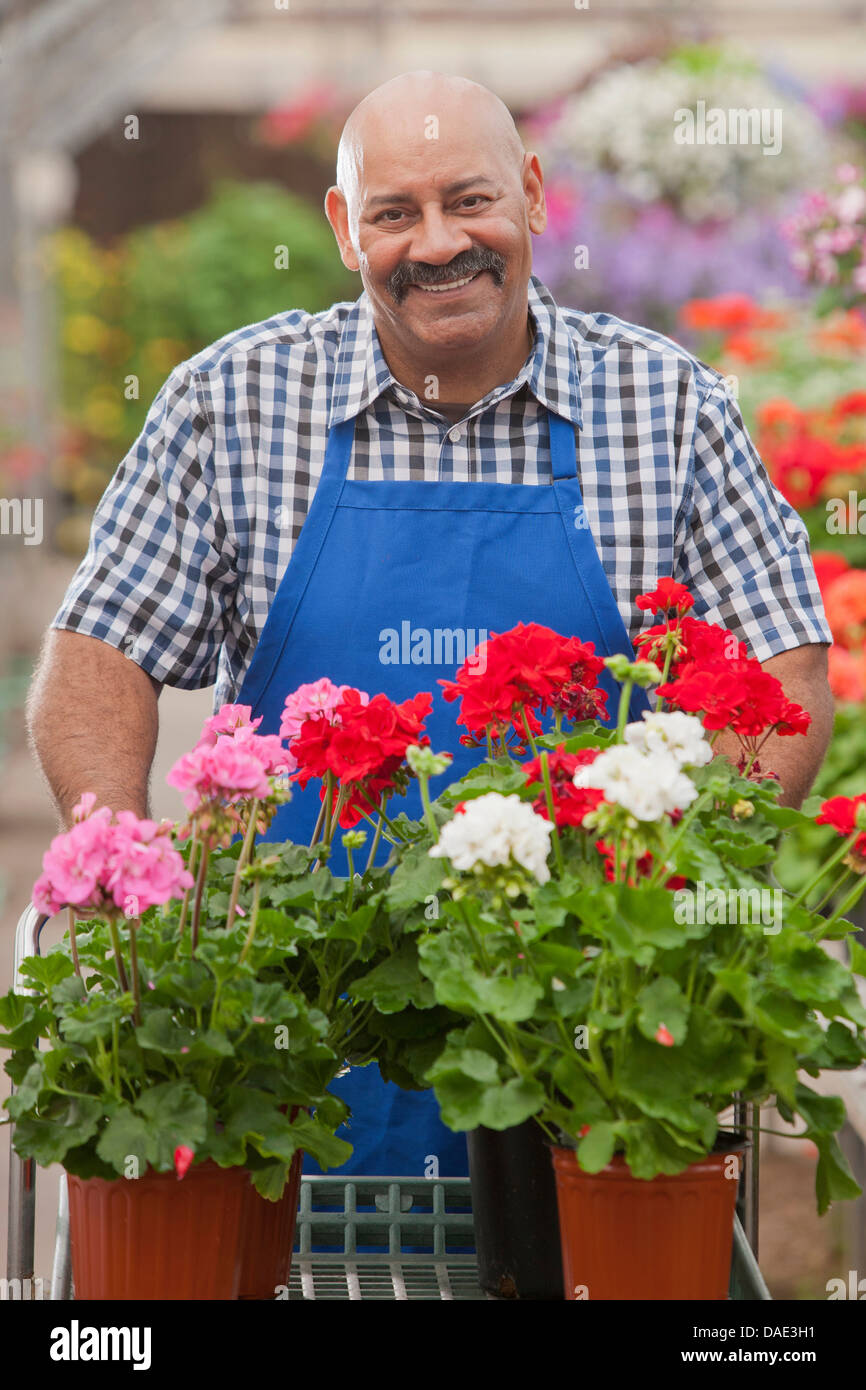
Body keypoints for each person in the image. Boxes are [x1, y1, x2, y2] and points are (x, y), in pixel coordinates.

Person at [29, 71, 834, 1177]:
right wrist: (115, 865)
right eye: (394, 213)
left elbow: (776, 672)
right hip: (283, 1039)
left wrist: (662, 903)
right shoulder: (235, 402)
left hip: (574, 1041)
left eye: (470, 201)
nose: (438, 242)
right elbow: (99, 648)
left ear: (536, 194)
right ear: (340, 226)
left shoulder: (666, 406)